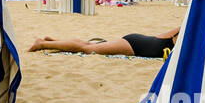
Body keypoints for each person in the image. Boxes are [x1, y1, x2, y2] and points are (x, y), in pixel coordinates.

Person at [28, 26, 179, 59]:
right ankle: (42, 44)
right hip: (135, 46)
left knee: (88, 45)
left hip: (138, 43)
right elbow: (176, 41)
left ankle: (54, 41)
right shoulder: (185, 29)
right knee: (87, 49)